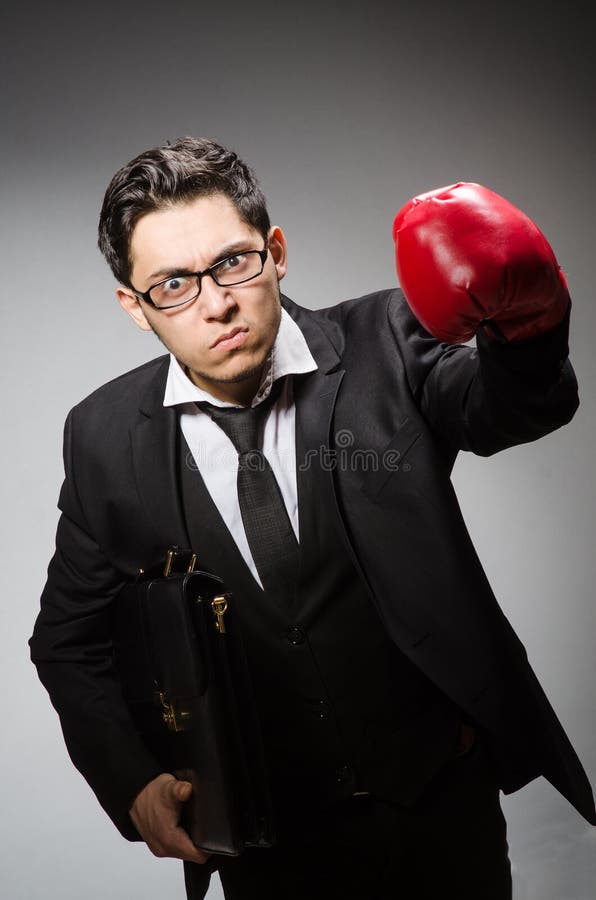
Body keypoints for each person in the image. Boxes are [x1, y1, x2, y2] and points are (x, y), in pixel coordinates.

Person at [30, 137, 595, 900]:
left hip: (439, 806)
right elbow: (67, 639)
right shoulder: (100, 437)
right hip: (268, 842)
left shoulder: (388, 342)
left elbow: (512, 407)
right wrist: (132, 781)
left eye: (233, 262)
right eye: (172, 284)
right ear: (135, 306)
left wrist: (527, 327)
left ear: (277, 251)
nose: (217, 302)